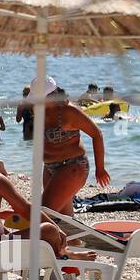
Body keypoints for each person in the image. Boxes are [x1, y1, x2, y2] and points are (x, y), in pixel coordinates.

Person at [34, 77, 110, 214]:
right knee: (63, 220)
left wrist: (100, 169)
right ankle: (74, 236)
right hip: (49, 168)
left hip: (72, 166)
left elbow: (97, 134)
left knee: (43, 214)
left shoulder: (69, 111)